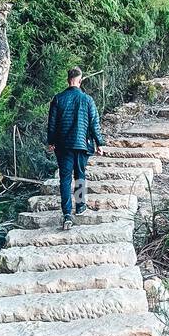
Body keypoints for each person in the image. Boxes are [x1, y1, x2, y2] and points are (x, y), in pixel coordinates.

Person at [46, 67, 105, 225]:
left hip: (63, 145)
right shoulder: (87, 100)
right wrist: (99, 143)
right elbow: (94, 124)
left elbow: (52, 124)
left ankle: (67, 214)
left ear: (68, 80)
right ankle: (80, 206)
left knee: (64, 179)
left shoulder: (58, 99)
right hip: (81, 145)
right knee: (80, 175)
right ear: (80, 80)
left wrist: (51, 142)